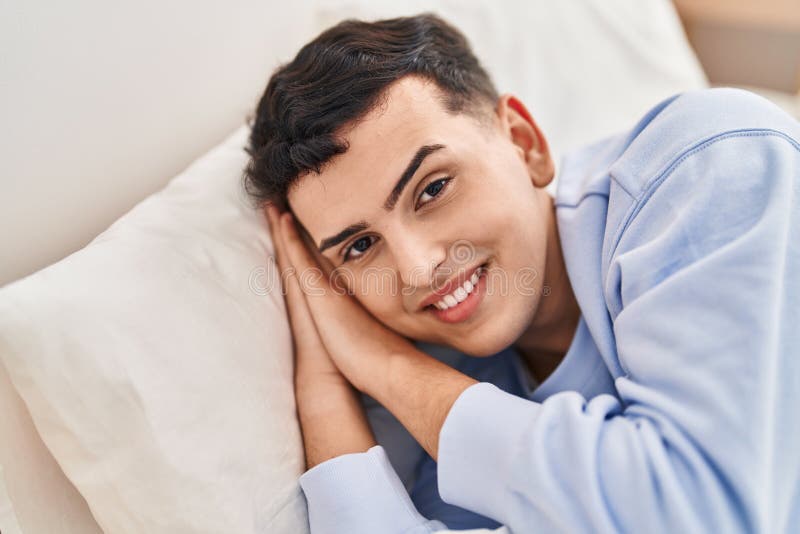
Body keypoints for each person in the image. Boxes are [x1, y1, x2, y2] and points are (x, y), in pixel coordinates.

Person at [244, 13, 800, 534]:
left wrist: (386, 366)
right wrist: (323, 387)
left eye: (433, 188)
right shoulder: (463, 422)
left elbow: (711, 517)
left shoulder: (706, 162)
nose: (417, 268)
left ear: (525, 143)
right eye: (361, 247)